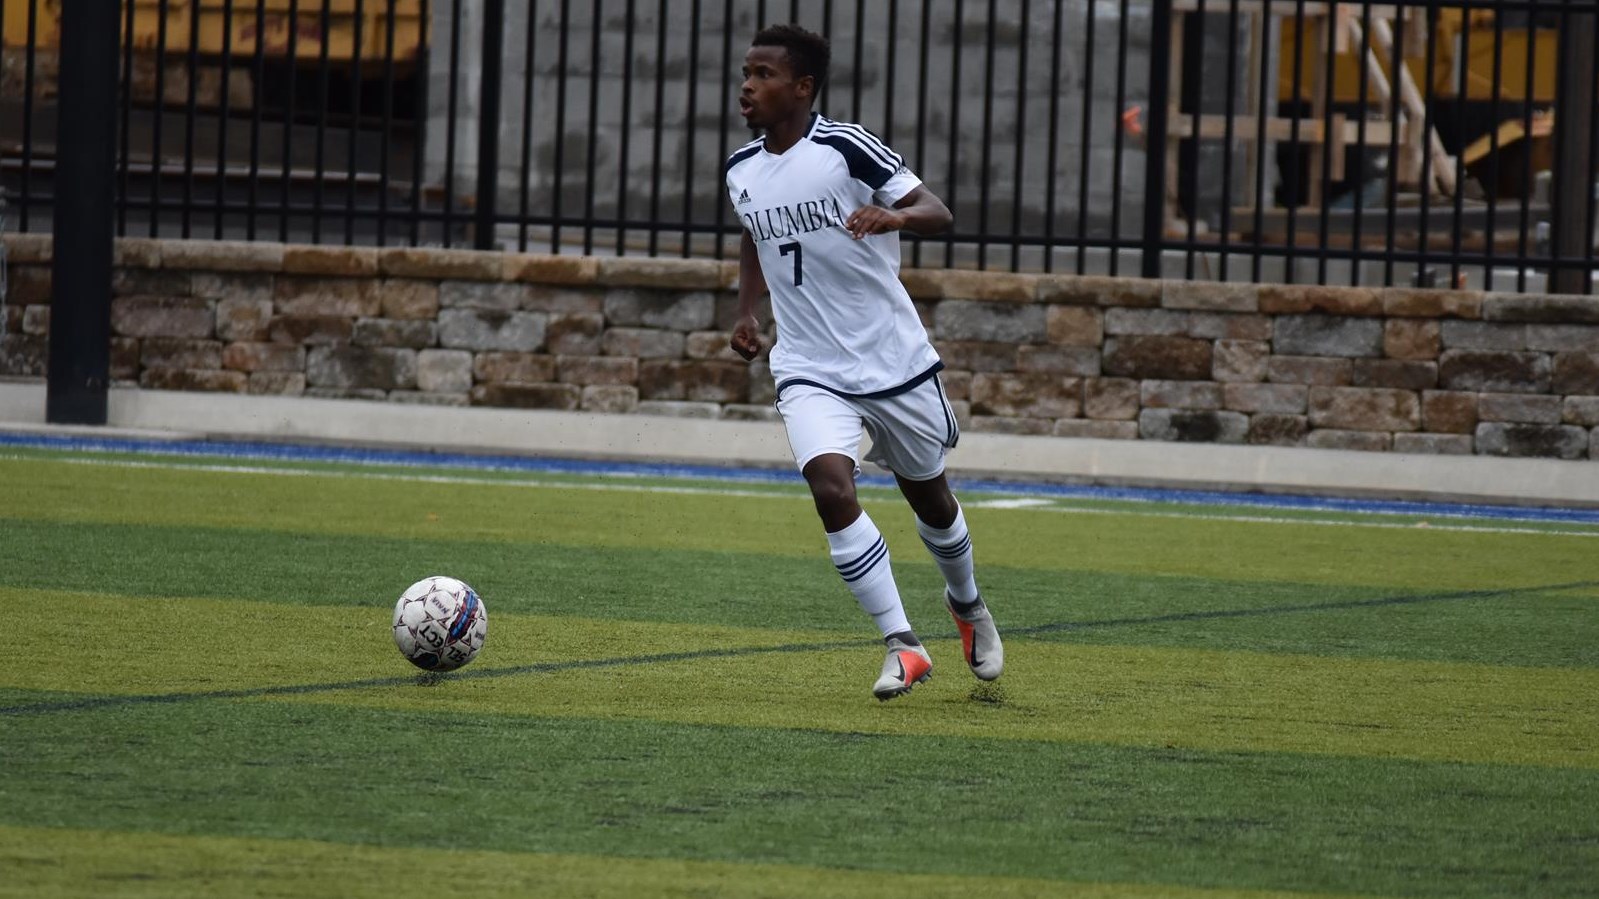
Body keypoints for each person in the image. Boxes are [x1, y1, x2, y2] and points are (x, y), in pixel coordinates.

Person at [724, 24, 1002, 701]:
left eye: (762, 74)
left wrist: (893, 219)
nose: (747, 87)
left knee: (929, 496)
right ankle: (901, 643)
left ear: (802, 86)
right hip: (808, 364)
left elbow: (934, 209)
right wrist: (746, 310)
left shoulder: (844, 147)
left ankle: (966, 604)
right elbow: (756, 237)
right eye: (745, 72)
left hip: (891, 359)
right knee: (829, 486)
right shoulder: (740, 168)